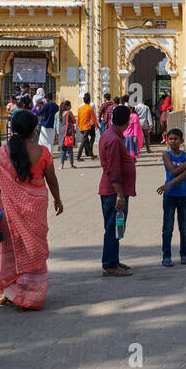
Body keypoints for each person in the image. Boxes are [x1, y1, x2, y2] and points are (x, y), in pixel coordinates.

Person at [0, 109, 63, 310]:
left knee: (12, 248)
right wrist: (58, 200)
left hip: (8, 211)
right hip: (36, 209)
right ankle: (28, 297)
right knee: (32, 250)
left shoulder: (2, 154)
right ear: (34, 129)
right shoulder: (43, 152)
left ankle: (12, 293)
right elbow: (51, 180)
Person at [99, 103, 136, 277]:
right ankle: (109, 264)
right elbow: (113, 169)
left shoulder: (111, 134)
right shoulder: (113, 139)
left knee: (116, 227)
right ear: (128, 121)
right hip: (114, 192)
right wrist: (120, 195)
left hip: (114, 190)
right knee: (113, 227)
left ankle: (113, 259)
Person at [156, 128, 186, 267]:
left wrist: (168, 185)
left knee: (184, 227)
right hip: (170, 197)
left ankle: (184, 254)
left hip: (183, 195)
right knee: (168, 227)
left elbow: (184, 175)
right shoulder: (166, 155)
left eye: (175, 139)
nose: (172, 141)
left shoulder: (185, 155)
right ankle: (166, 256)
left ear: (181, 141)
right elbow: (173, 171)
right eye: (170, 139)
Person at [35, 94, 58, 159]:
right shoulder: (56, 106)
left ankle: (42, 154)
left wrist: (35, 107)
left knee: (42, 141)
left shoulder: (47, 105)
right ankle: (49, 155)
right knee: (50, 141)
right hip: (53, 125)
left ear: (47, 99)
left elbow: (39, 112)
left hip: (45, 124)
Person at [56, 100, 78, 168]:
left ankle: (61, 165)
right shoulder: (69, 112)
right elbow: (74, 121)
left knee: (63, 149)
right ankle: (71, 164)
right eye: (70, 105)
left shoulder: (61, 113)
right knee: (70, 149)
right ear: (67, 106)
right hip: (68, 132)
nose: (71, 107)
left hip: (62, 133)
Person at [76, 93, 97, 160]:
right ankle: (78, 157)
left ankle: (91, 155)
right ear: (89, 100)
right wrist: (97, 126)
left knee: (86, 142)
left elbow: (78, 118)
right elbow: (93, 118)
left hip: (81, 127)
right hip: (87, 127)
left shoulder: (80, 108)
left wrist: (78, 126)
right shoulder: (90, 108)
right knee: (83, 142)